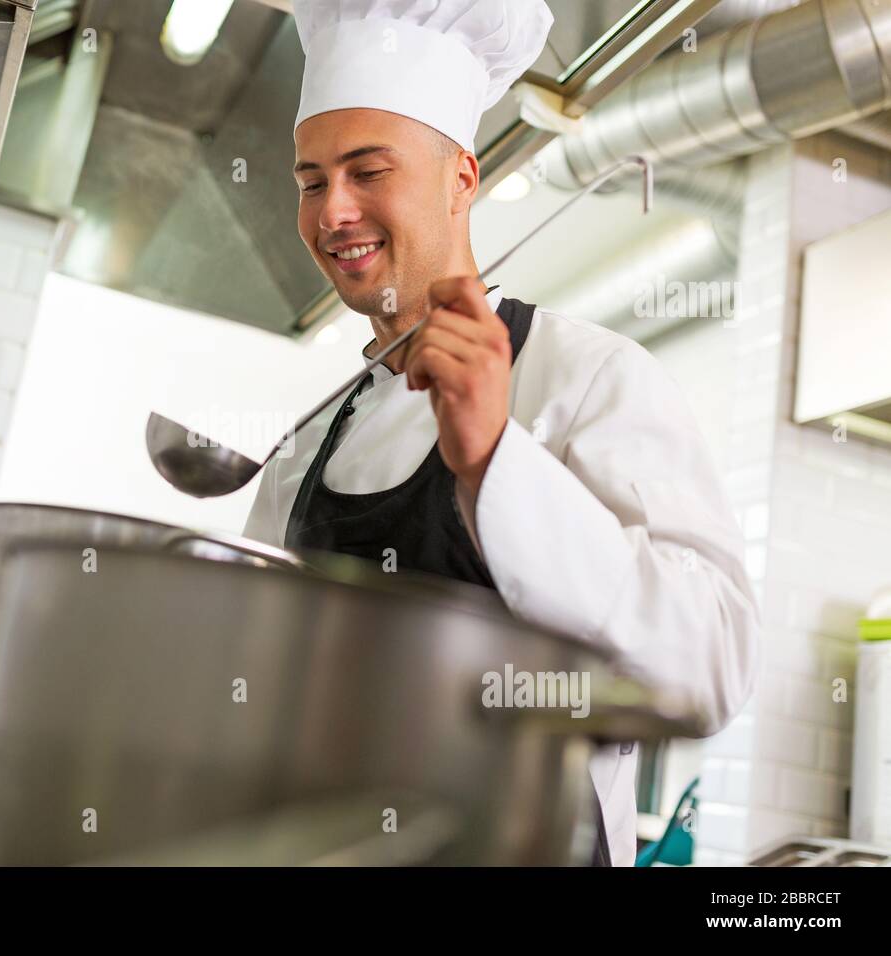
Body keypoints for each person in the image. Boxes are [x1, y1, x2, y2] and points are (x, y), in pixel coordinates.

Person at [242, 0, 760, 866]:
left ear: (462, 180)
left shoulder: (587, 376)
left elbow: (708, 671)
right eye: (310, 181)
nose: (333, 212)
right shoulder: (305, 447)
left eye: (369, 171)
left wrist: (493, 462)